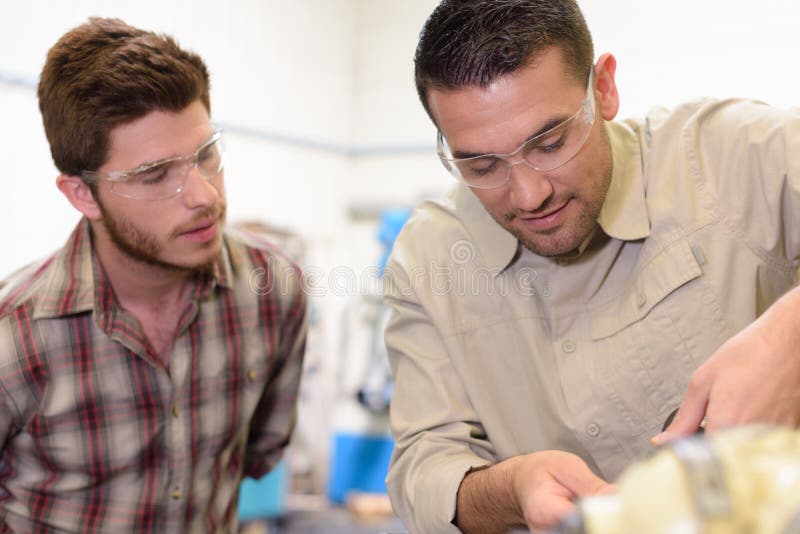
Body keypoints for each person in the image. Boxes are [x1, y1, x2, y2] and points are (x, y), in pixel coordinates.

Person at [382, 1, 800, 532]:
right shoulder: (428, 258)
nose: (530, 195)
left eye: (551, 142)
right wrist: (512, 488)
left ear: (603, 88)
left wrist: (790, 336)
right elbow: (423, 467)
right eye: (481, 165)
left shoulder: (729, 155)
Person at [0, 18, 307, 532]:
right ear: (81, 194)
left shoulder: (273, 289)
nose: (205, 196)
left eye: (206, 155)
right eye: (154, 175)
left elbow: (259, 454)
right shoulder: (16, 335)